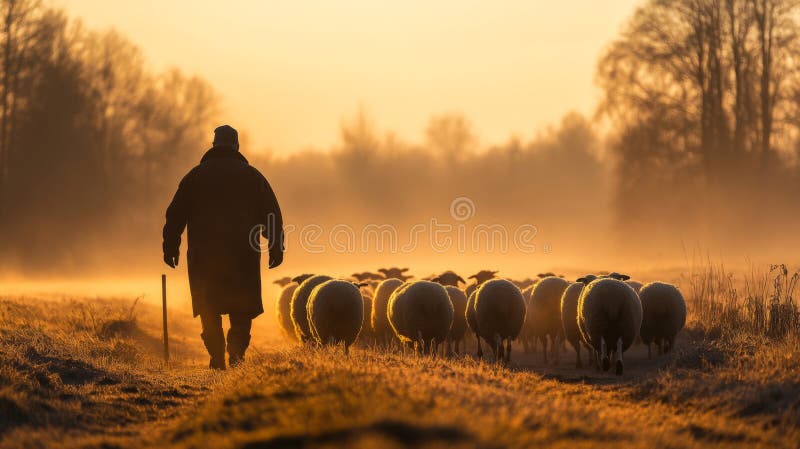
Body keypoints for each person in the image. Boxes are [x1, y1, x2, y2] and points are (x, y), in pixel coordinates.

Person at [162, 125, 283, 369]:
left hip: (204, 258)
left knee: (209, 307)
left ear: (214, 146)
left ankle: (216, 358)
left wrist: (171, 247)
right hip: (243, 257)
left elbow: (175, 215)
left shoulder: (195, 176)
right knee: (241, 309)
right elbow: (271, 213)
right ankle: (236, 355)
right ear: (236, 146)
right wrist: (276, 246)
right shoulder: (253, 176)